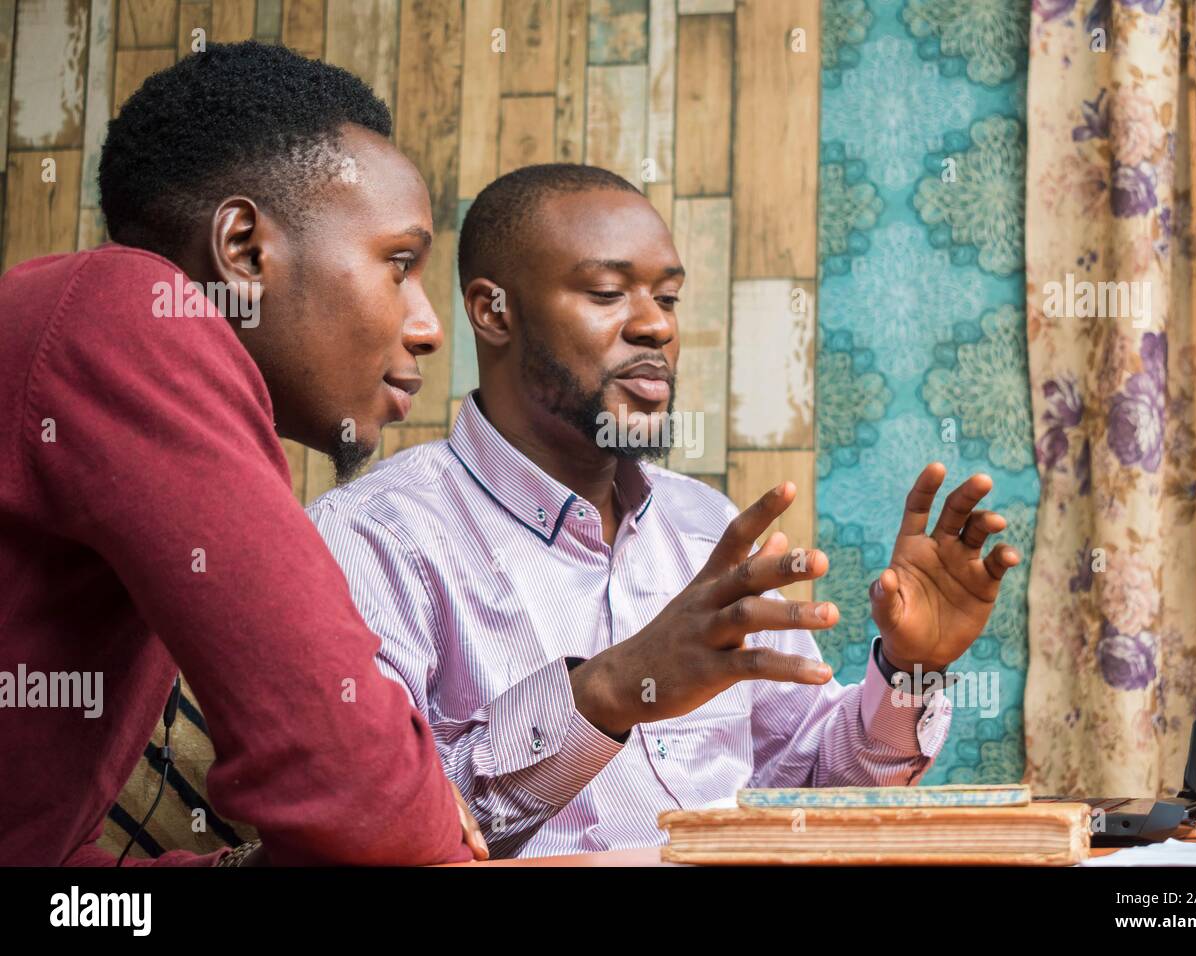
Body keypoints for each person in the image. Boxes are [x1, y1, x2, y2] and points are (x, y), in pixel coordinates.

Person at [309, 163, 1021, 857]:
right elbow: (383, 834)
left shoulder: (704, 523)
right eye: (608, 293)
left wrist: (910, 669)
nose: (655, 327)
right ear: (494, 311)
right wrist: (603, 695)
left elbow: (815, 787)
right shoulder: (374, 537)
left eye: (669, 298)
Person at [0, 42, 482, 866]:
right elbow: (365, 797)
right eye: (399, 265)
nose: (429, 325)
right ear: (245, 251)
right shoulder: (120, 315)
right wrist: (402, 806)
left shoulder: (70, 324)